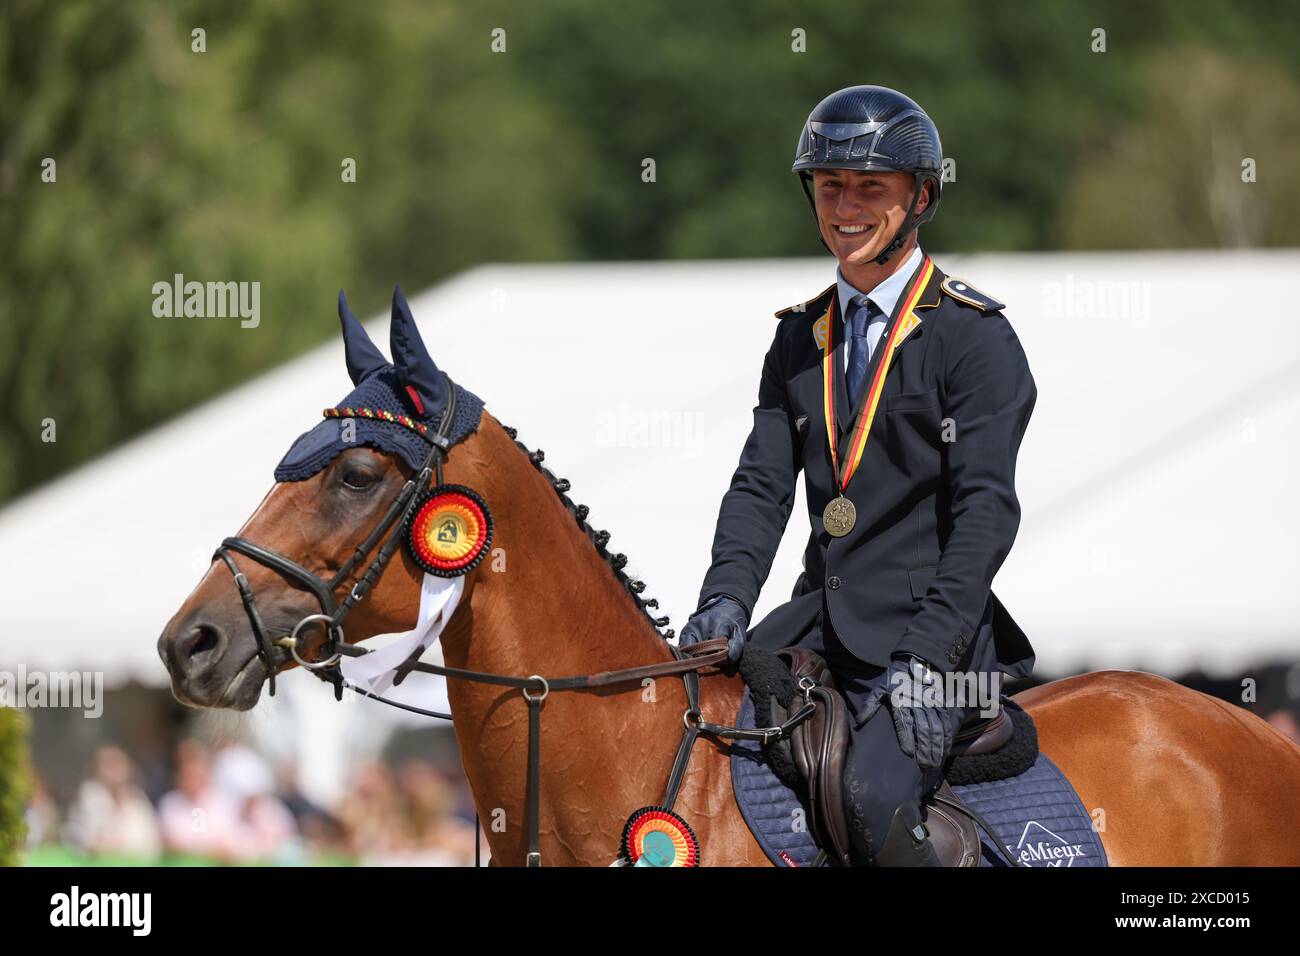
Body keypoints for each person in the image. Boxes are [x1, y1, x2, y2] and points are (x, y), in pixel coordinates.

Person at [679, 85, 1037, 866]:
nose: (845, 205)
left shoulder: (974, 339)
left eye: (870, 186)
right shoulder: (797, 340)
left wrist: (927, 654)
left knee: (875, 796)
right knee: (684, 727)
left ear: (922, 196)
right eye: (830, 185)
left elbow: (985, 514)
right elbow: (760, 487)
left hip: (942, 649)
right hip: (819, 626)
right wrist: (726, 596)